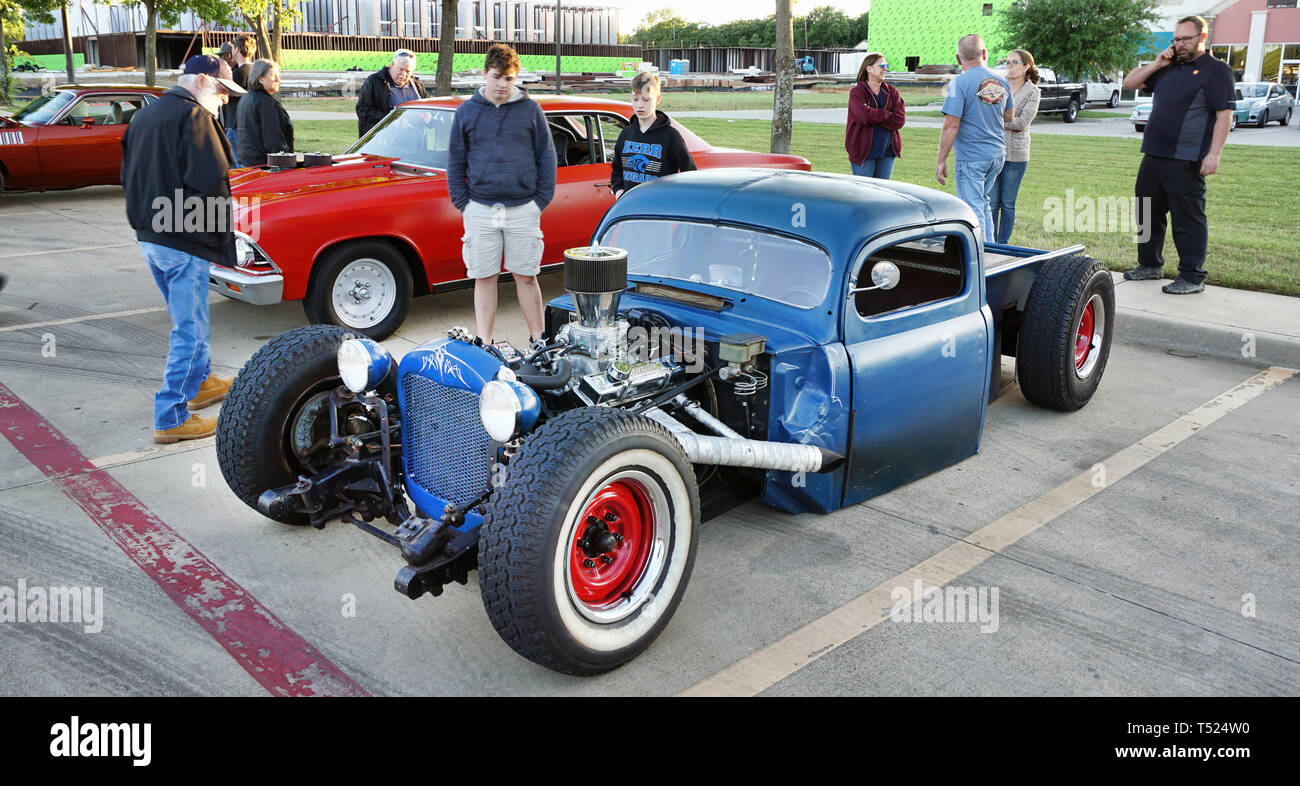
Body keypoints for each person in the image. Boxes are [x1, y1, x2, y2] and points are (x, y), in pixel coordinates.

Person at [120, 55, 245, 443]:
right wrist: (221, 242)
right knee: (189, 331)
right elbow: (212, 184)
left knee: (186, 320)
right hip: (182, 241)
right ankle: (170, 416)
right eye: (223, 91)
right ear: (204, 82)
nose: (225, 100)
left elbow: (128, 176)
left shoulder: (146, 115)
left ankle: (202, 381)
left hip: (152, 236)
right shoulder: (195, 119)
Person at [447, 43, 556, 349]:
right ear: (485, 74)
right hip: (479, 208)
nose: (502, 85)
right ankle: (484, 341)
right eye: (496, 77)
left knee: (525, 276)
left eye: (509, 79)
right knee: (485, 278)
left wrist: (539, 202)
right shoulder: (467, 112)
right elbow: (455, 161)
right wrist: (463, 204)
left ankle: (539, 341)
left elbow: (546, 158)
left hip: (523, 208)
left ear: (515, 77)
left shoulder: (530, 110)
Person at [1121, 15, 1233, 295]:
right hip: (1153, 154)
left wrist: (1214, 155)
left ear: (1202, 38)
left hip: (1186, 157)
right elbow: (1130, 83)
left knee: (1188, 217)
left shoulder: (1216, 70)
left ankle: (1192, 276)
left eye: (1186, 39)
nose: (1180, 44)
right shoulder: (1168, 66)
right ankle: (1149, 265)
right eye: (1176, 39)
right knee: (1146, 212)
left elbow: (1224, 115)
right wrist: (1158, 63)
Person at [936, 34, 1014, 244]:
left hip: (972, 157)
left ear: (958, 58)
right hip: (997, 154)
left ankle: (980, 253)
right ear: (985, 54)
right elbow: (1009, 116)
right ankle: (990, 247)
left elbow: (951, 125)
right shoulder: (1001, 80)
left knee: (971, 207)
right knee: (983, 203)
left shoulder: (959, 83)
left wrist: (941, 160)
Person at [610, 70, 696, 197]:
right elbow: (617, 170)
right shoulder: (625, 134)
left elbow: (690, 174)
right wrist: (618, 190)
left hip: (658, 208)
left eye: (646, 100)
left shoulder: (671, 136)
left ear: (658, 99)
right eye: (635, 99)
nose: (640, 105)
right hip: (629, 206)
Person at [991, 49, 1041, 244]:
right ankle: (990, 242)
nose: (1009, 66)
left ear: (1026, 66)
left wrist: (996, 119)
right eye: (1007, 62)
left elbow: (1022, 123)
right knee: (992, 203)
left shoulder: (1033, 91)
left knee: (1008, 203)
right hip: (994, 152)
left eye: (1014, 63)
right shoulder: (996, 86)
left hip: (1016, 156)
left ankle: (1003, 244)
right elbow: (982, 109)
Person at [845, 53, 905, 179]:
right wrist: (887, 114)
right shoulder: (857, 92)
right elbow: (863, 117)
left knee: (882, 193)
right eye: (881, 65)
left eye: (886, 65)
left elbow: (899, 120)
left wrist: (874, 116)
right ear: (869, 68)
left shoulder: (892, 92)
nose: (885, 68)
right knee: (864, 192)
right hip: (863, 152)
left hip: (887, 151)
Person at [356, 49, 428, 137]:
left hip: (415, 143)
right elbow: (363, 110)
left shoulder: (417, 85)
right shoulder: (374, 81)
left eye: (408, 71)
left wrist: (428, 117)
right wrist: (393, 121)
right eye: (401, 69)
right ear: (392, 64)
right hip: (383, 142)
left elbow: (428, 109)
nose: (404, 74)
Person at [237, 59, 294, 168]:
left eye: (278, 75)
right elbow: (272, 139)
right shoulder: (265, 102)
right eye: (273, 75)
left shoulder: (246, 98)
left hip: (247, 161)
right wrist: (285, 159)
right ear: (260, 79)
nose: (278, 79)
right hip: (264, 164)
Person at [222, 35, 256, 164]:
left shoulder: (238, 74)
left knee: (240, 168)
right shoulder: (254, 71)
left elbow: (225, 96)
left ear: (236, 50)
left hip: (235, 126)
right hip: (248, 125)